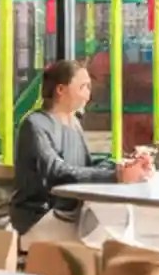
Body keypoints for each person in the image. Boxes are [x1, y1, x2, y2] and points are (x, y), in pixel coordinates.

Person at [11, 60, 117, 248]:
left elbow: (85, 167)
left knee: (117, 227)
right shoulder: (34, 125)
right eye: (83, 87)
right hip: (41, 218)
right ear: (61, 90)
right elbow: (56, 173)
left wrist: (120, 165)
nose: (88, 95)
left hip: (71, 213)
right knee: (107, 241)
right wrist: (116, 176)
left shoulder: (74, 123)